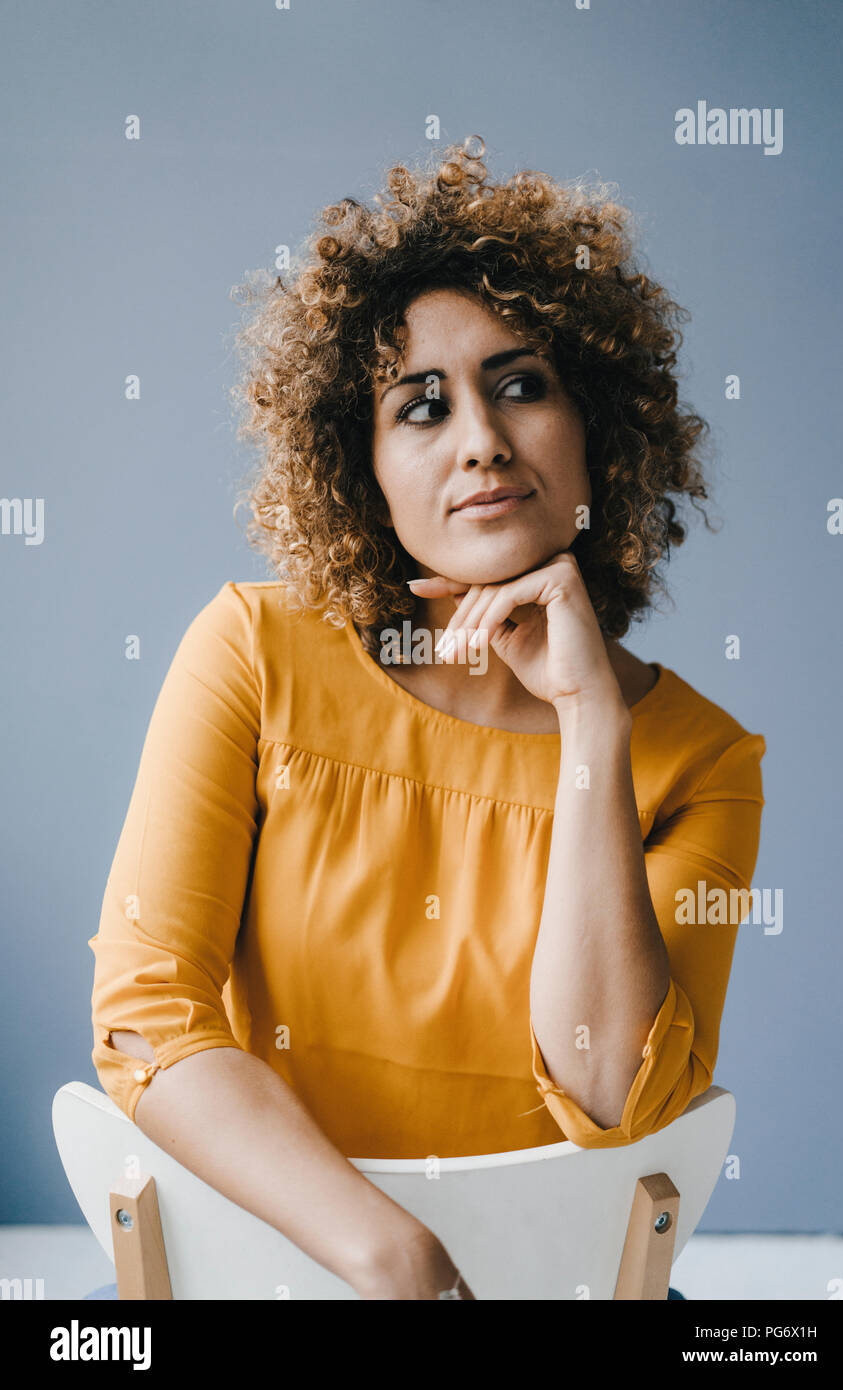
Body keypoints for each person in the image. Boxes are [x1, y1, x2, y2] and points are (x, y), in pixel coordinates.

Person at [87, 136, 765, 1301]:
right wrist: (394, 1256)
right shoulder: (253, 652)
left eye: (521, 384)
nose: (482, 442)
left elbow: (616, 1101)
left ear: (595, 425)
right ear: (363, 469)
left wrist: (592, 729)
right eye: (420, 406)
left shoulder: (700, 756)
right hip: (284, 1275)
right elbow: (149, 1019)